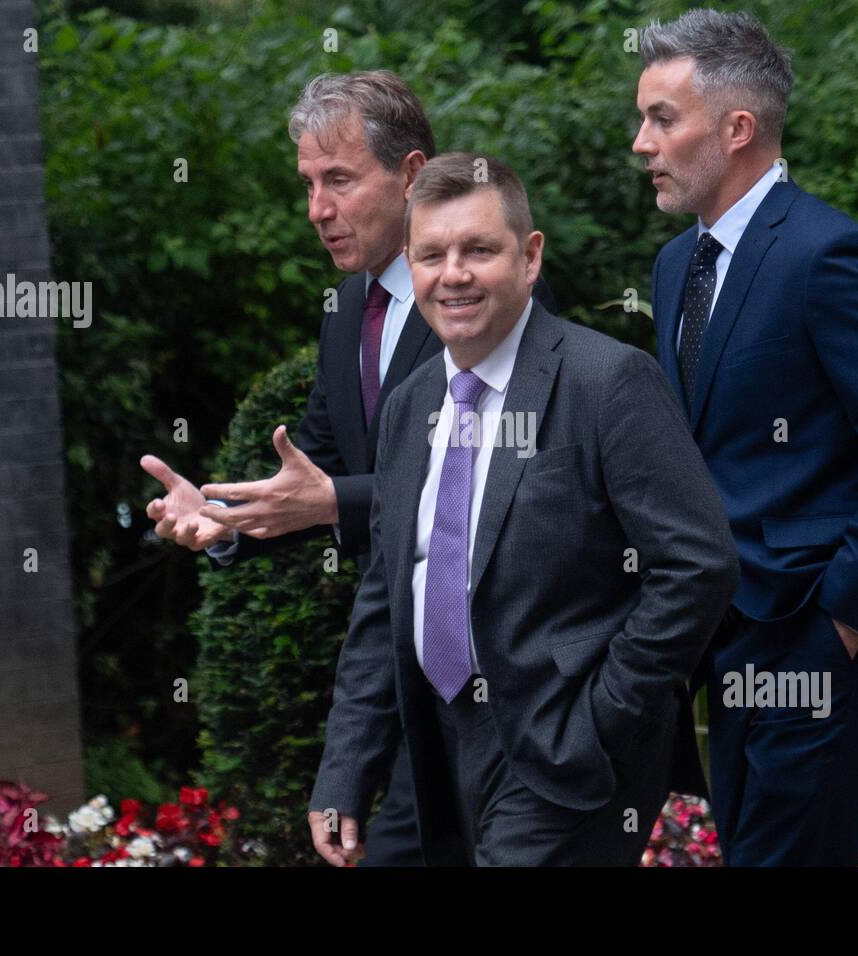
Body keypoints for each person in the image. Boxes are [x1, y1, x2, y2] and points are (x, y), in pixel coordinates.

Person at [142, 70, 555, 866]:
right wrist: (221, 521)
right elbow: (322, 478)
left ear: (409, 176)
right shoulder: (347, 311)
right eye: (307, 184)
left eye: (338, 180)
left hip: (520, 690)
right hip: (410, 676)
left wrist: (333, 498)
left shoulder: (481, 296)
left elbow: (504, 475)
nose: (316, 211)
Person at [306, 153, 739, 866]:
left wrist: (606, 714)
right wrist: (345, 770)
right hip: (443, 752)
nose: (454, 275)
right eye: (432, 255)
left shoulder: (609, 382)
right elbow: (386, 597)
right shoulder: (410, 405)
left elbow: (698, 565)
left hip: (567, 751)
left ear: (530, 256)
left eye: (479, 250)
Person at [634, 9, 858, 865]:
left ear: (738, 128)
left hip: (825, 635)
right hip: (731, 633)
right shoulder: (677, 265)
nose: (641, 142)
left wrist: (845, 619)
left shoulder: (833, 254)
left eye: (662, 118)